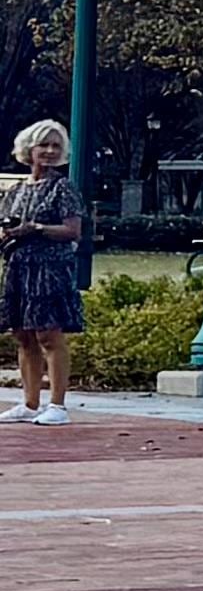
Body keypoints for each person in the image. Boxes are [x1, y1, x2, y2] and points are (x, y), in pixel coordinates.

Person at [1, 120, 84, 425]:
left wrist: (35, 228)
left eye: (55, 146)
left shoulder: (63, 188)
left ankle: (58, 405)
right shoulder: (16, 190)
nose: (49, 152)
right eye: (43, 145)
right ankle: (30, 402)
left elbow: (73, 231)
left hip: (50, 268)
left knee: (48, 333)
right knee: (22, 334)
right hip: (18, 267)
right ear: (29, 149)